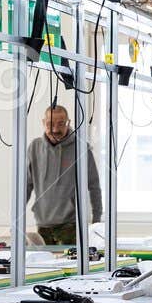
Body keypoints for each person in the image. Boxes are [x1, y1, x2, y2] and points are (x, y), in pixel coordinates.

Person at [26, 104, 102, 245]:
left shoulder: (81, 148)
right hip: (43, 225)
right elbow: (26, 186)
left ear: (68, 122)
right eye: (50, 124)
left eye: (61, 124)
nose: (55, 129)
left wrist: (97, 221)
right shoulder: (34, 147)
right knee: (45, 266)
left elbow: (94, 186)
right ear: (43, 123)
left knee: (71, 266)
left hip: (71, 226)